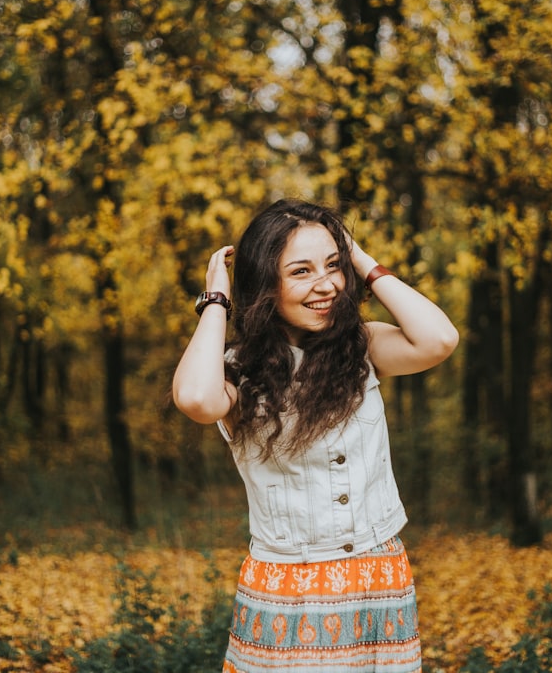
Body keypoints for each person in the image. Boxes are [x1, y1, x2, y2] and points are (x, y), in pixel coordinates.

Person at [172, 199, 458, 672]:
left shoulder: (362, 347)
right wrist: (217, 300)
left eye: (332, 266)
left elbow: (439, 339)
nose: (325, 285)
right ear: (265, 284)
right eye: (301, 271)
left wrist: (362, 261)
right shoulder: (236, 372)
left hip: (379, 578)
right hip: (290, 590)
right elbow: (197, 399)